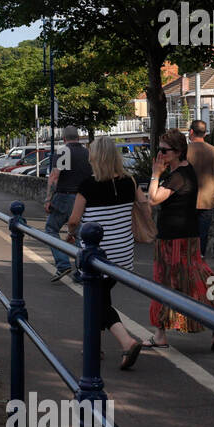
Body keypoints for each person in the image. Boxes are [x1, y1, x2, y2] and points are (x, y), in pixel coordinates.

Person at [146, 129, 214, 351]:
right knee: (199, 278)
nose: (160, 154)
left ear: (177, 152)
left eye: (164, 151)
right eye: (159, 150)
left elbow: (154, 199)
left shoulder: (177, 176)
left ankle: (164, 333)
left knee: (168, 282)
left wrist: (155, 174)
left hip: (174, 239)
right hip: (186, 235)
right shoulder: (185, 171)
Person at [65, 137, 146, 369]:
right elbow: (143, 205)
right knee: (101, 296)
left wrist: (72, 233)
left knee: (97, 300)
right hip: (123, 252)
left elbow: (73, 220)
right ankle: (93, 345)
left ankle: (127, 341)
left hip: (97, 255)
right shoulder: (129, 181)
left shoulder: (88, 186)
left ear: (95, 157)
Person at [45, 125, 92, 282]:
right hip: (83, 198)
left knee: (51, 229)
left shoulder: (63, 151)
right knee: (80, 235)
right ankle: (81, 270)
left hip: (64, 197)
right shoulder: (87, 153)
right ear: (78, 137)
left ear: (64, 139)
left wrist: (48, 199)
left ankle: (63, 263)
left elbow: (55, 177)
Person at [186, 119, 214, 257]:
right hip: (207, 201)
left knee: (188, 236)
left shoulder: (185, 151)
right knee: (202, 236)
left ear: (191, 132)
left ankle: (187, 265)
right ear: (205, 133)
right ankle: (199, 261)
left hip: (187, 201)